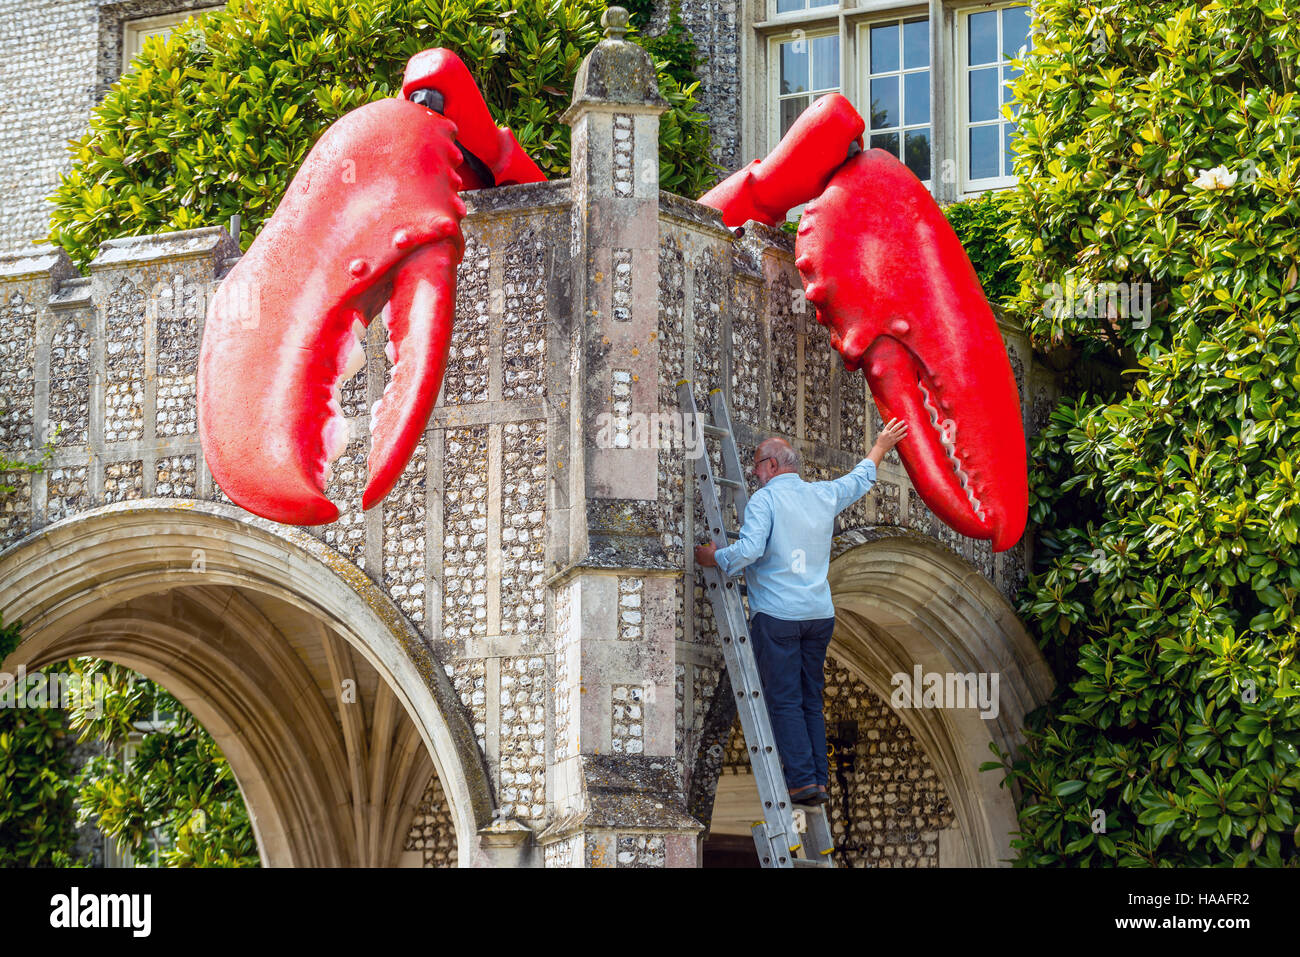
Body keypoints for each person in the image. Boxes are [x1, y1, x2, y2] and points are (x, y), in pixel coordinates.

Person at [694, 419, 909, 807]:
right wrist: (880, 445)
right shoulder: (822, 494)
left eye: (757, 466)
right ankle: (818, 781)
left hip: (779, 616)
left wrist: (715, 557)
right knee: (810, 698)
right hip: (818, 615)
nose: (754, 474)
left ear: (773, 465)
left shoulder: (766, 501)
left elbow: (749, 551)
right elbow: (859, 480)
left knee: (785, 700)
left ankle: (802, 783)